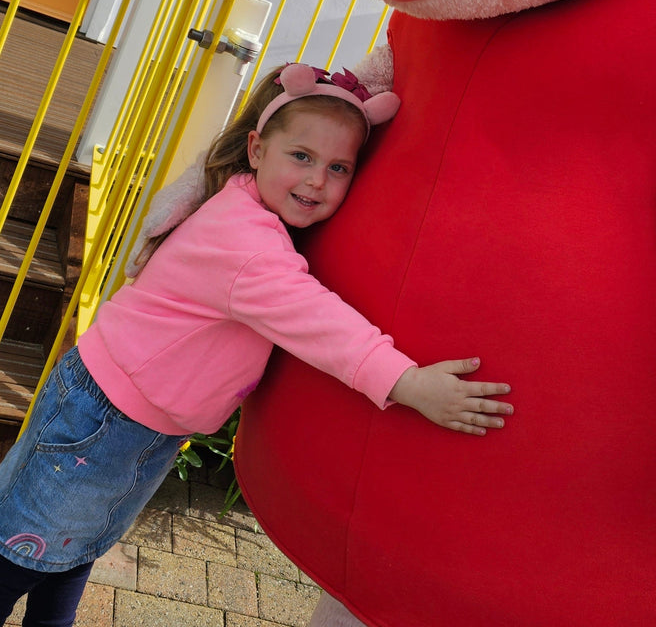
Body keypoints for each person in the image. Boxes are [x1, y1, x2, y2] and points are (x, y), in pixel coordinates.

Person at [0, 62, 513, 626]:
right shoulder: (246, 244)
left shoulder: (247, 206)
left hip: (137, 420)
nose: (317, 180)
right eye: (302, 157)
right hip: (106, 418)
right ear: (256, 148)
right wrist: (408, 381)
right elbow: (318, 321)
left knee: (72, 547)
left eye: (338, 167)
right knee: (27, 552)